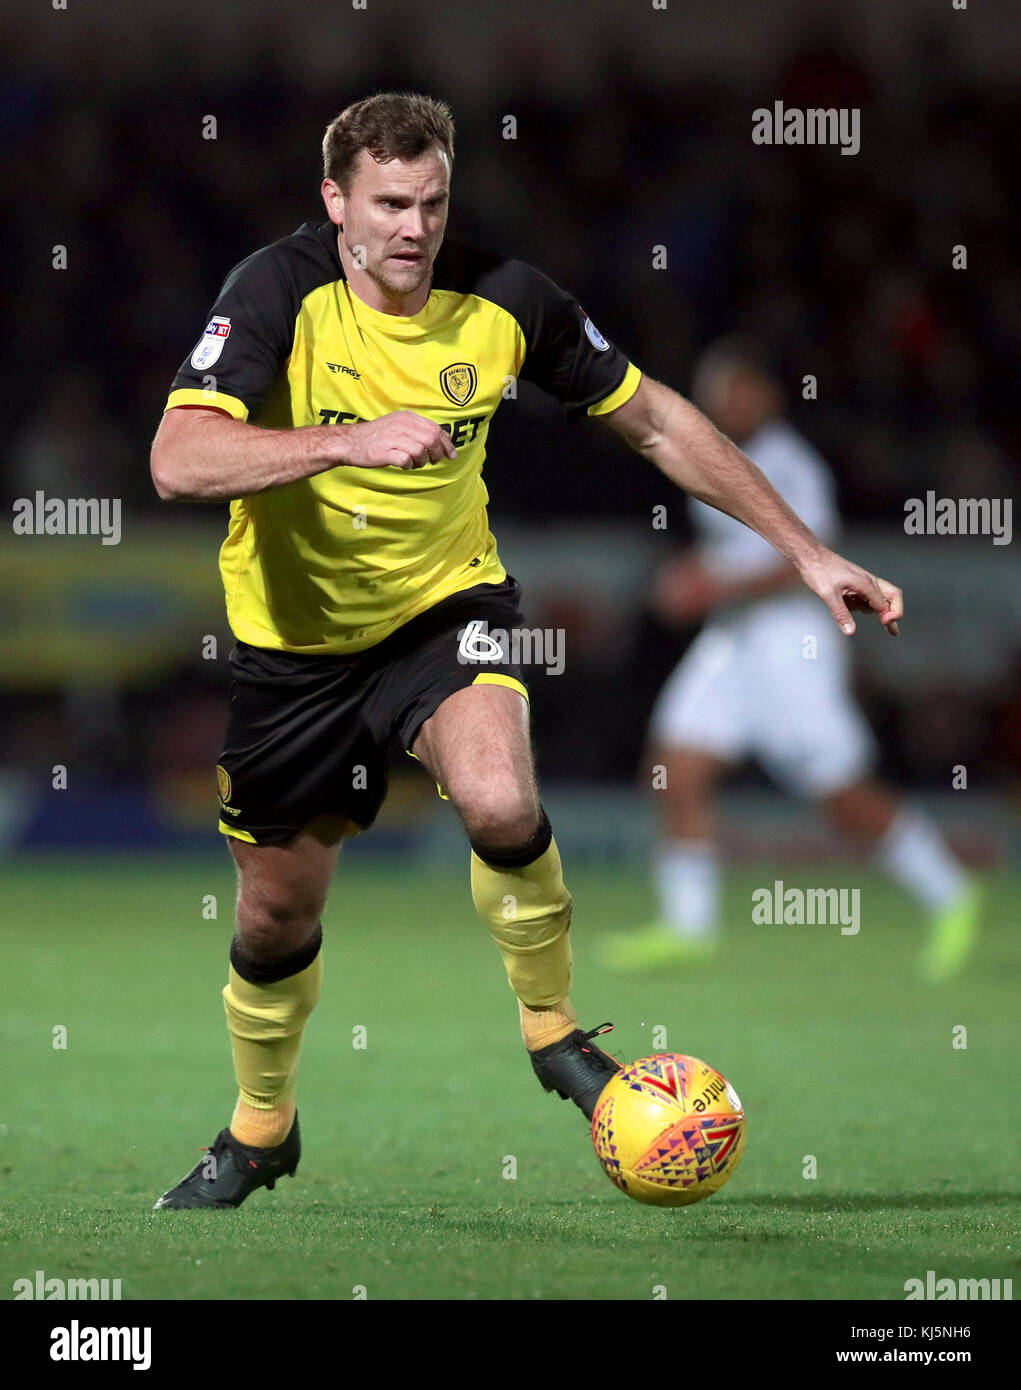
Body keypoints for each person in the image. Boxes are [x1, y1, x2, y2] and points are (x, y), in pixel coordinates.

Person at [149, 94, 902, 1209]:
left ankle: (555, 1038)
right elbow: (177, 457)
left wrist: (801, 549)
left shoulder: (507, 299)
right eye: (389, 204)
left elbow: (651, 420)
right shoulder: (274, 290)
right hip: (293, 649)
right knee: (274, 914)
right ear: (336, 201)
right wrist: (345, 442)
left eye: (433, 202)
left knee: (500, 800)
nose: (413, 227)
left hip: (442, 612)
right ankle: (262, 1129)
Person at [600, 338, 978, 980]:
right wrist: (699, 576)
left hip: (791, 643)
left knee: (841, 795)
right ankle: (688, 927)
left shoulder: (788, 461)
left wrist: (709, 584)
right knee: (676, 768)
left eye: (738, 388)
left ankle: (951, 895)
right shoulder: (717, 455)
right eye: (715, 390)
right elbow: (733, 555)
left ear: (768, 395)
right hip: (735, 641)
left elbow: (809, 558)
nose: (725, 401)